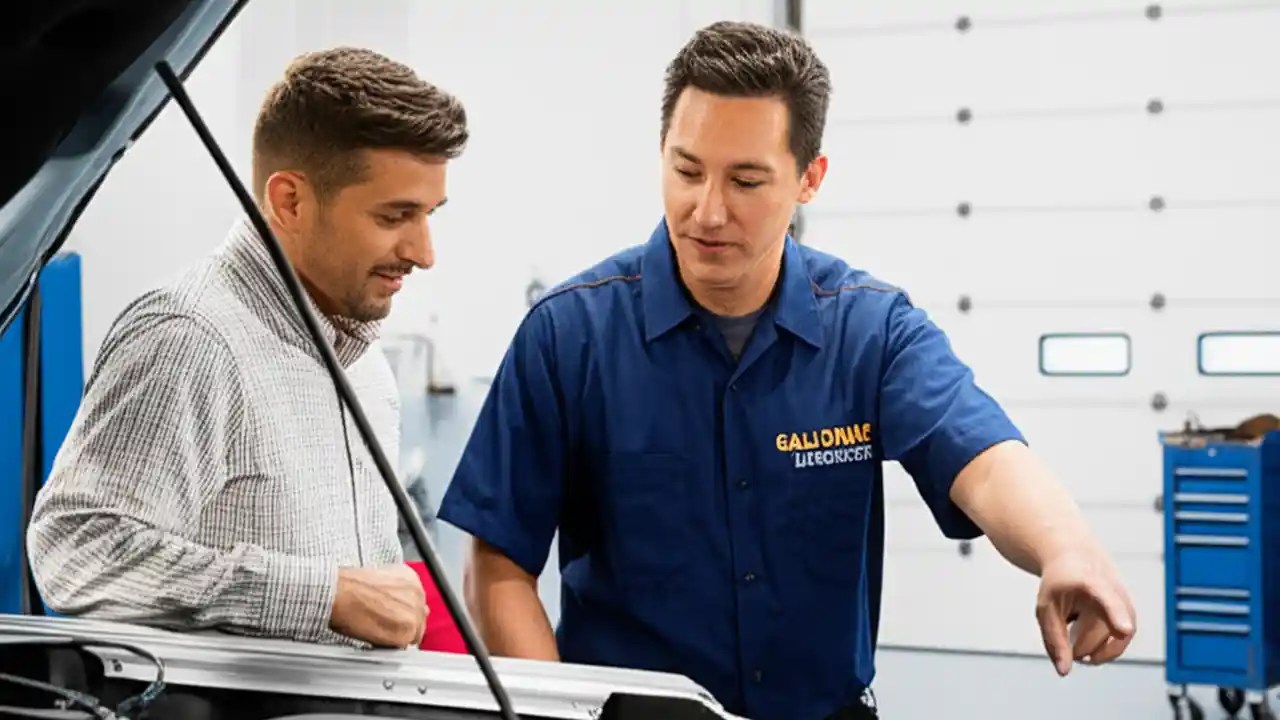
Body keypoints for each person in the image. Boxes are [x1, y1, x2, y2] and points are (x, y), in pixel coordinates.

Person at [436, 20, 1135, 720]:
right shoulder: (568, 337)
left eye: (745, 180)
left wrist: (1065, 547)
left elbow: (981, 457)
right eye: (685, 171)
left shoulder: (869, 331)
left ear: (810, 179)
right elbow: (497, 568)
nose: (707, 210)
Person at [27, 47, 468, 650]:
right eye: (396, 216)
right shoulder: (190, 338)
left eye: (429, 215)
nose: (425, 251)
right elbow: (77, 548)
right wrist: (322, 596)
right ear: (289, 201)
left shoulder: (361, 358)